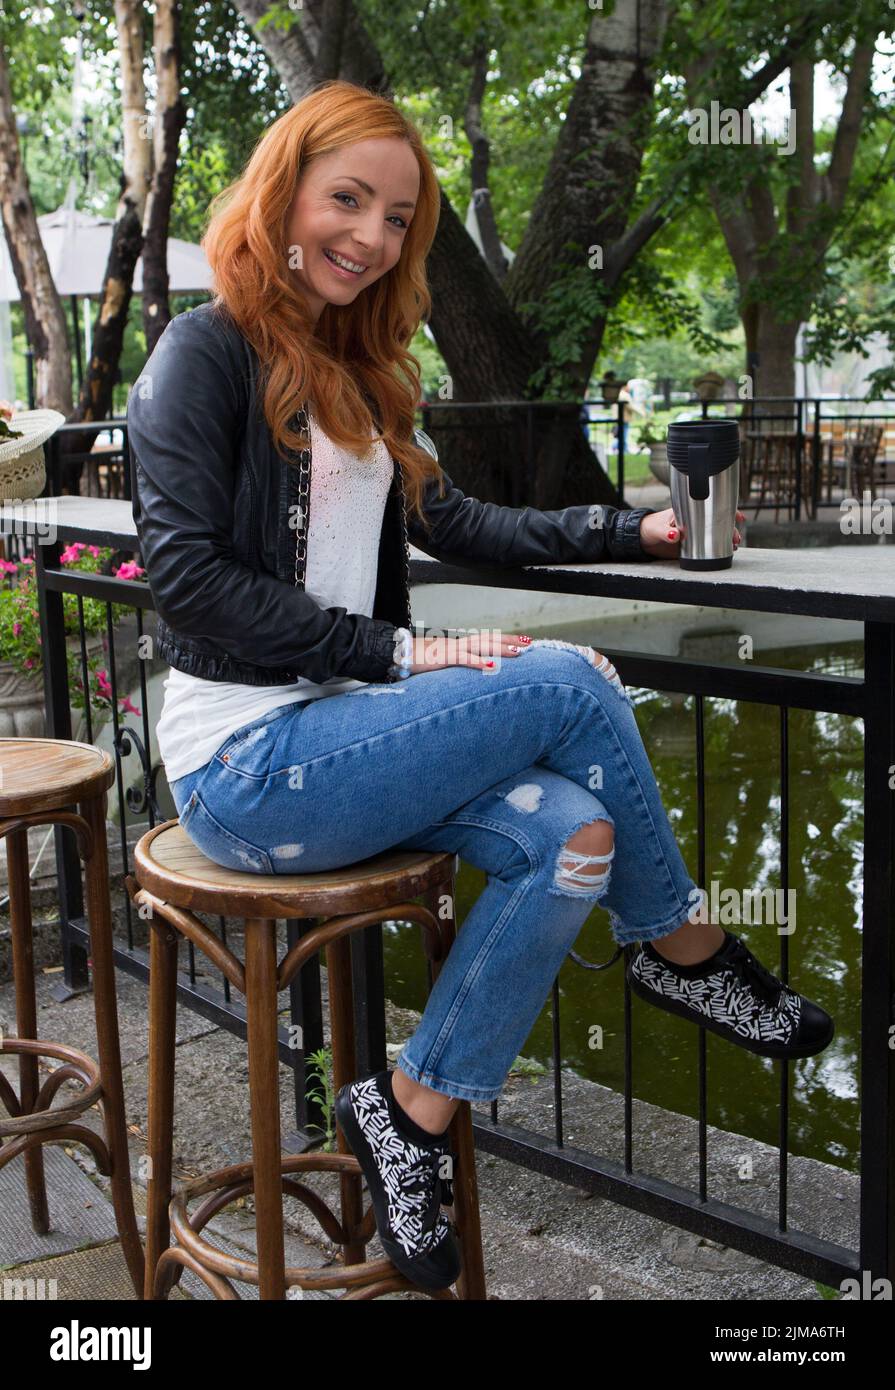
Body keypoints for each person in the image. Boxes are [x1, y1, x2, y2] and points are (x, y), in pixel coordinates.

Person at [128, 80, 833, 1295]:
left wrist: (631, 529)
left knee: (575, 830)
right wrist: (398, 654)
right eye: (348, 198)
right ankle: (682, 948)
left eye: (399, 219)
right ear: (283, 188)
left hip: (338, 738)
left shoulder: (357, 370)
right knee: (561, 677)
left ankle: (409, 1110)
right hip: (246, 762)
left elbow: (461, 521)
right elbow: (184, 576)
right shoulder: (204, 351)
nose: (373, 235)